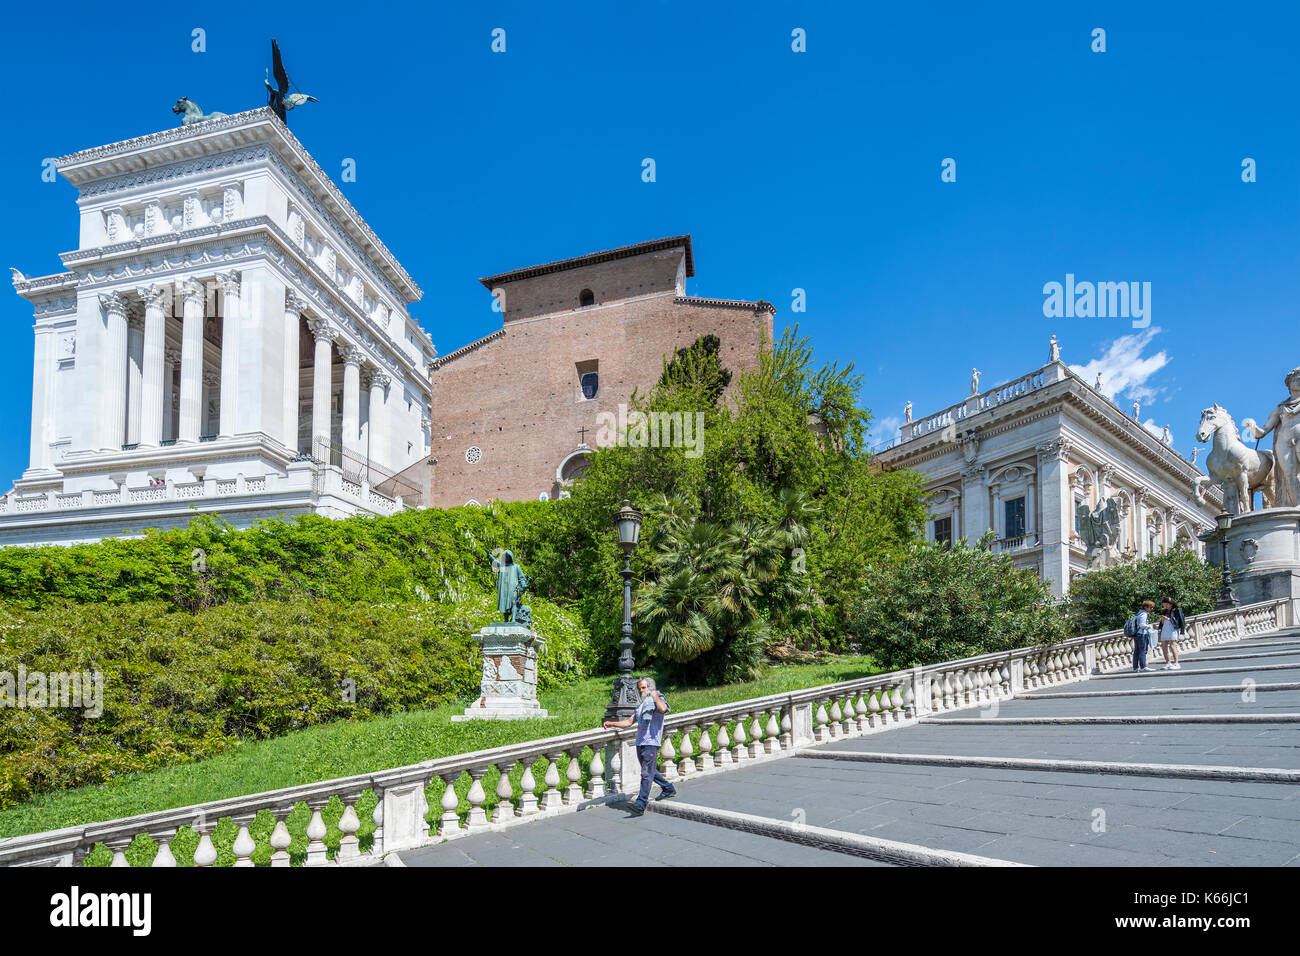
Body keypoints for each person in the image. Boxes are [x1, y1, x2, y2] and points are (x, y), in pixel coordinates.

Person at [602, 677, 676, 815]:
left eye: (643, 687)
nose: (641, 690)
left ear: (650, 688)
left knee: (646, 773)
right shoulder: (642, 706)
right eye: (639, 688)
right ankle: (668, 788)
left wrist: (655, 696)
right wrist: (612, 723)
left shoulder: (657, 699)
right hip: (640, 743)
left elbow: (664, 709)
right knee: (650, 771)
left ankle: (640, 804)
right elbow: (629, 722)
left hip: (651, 743)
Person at [1126, 600, 1156, 671]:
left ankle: (1135, 667)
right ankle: (1143, 667)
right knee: (1142, 650)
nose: (1152, 609)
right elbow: (1142, 625)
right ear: (1146, 607)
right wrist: (1150, 626)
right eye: (1150, 607)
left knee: (1137, 651)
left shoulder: (1139, 613)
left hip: (1137, 634)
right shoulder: (1144, 614)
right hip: (1142, 634)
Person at [1158, 596, 1185, 669]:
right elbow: (1162, 623)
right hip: (1165, 629)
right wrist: (1162, 619)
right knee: (1164, 646)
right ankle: (1168, 663)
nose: (1165, 606)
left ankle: (1176, 663)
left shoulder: (1177, 610)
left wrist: (1168, 618)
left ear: (1170, 603)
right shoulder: (1165, 611)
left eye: (1166, 604)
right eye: (1164, 605)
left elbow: (1180, 621)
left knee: (1173, 645)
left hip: (1173, 629)